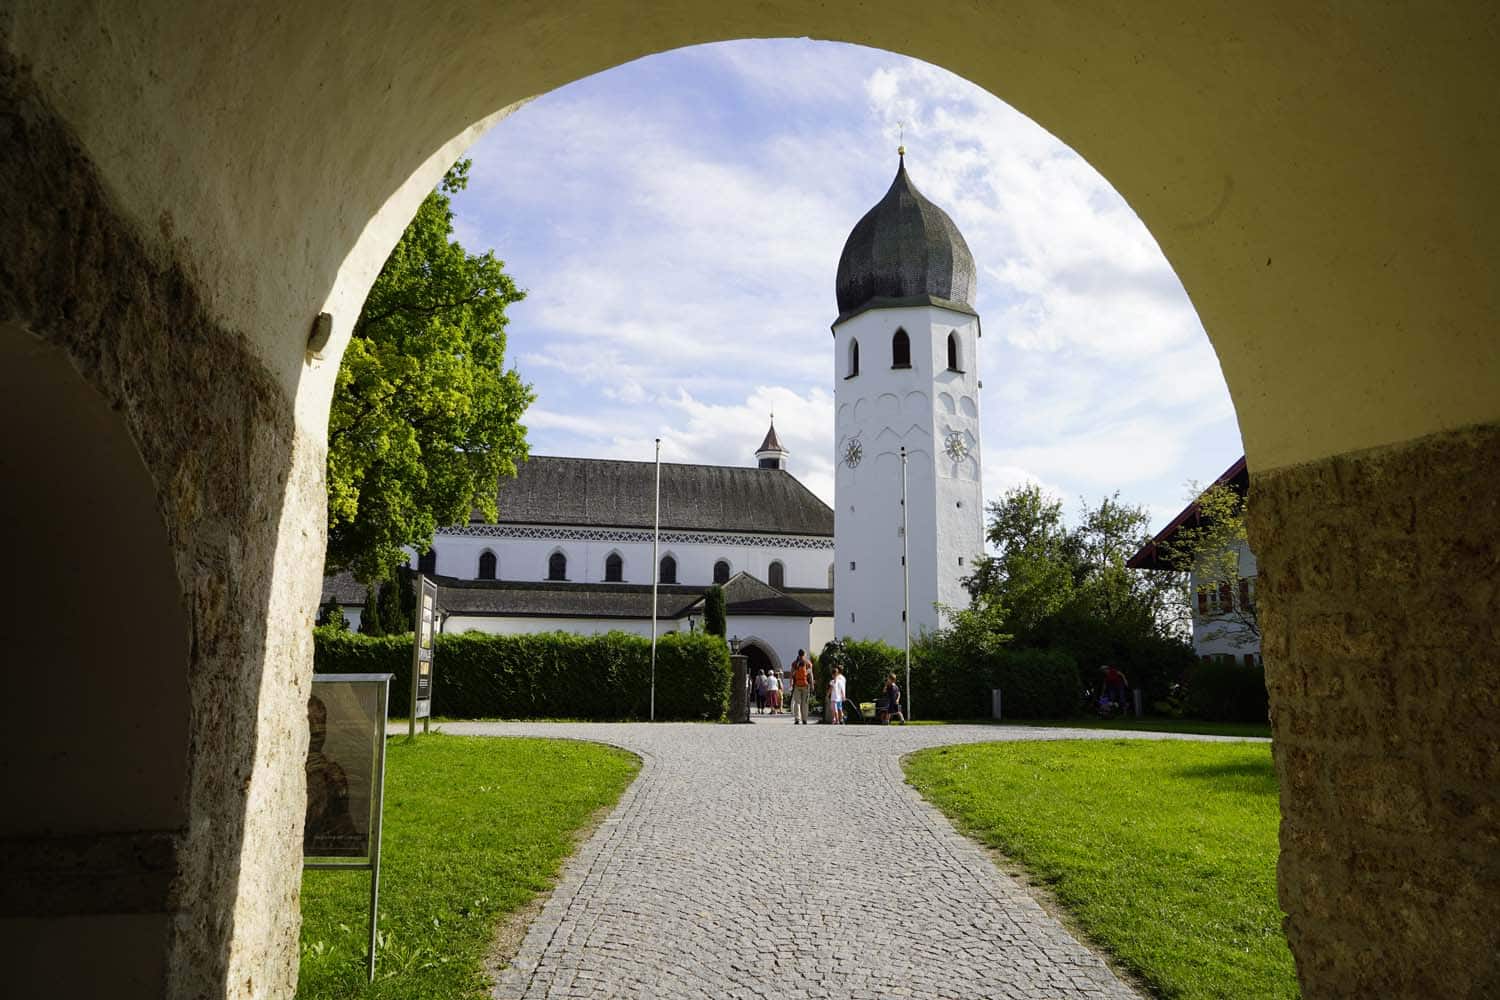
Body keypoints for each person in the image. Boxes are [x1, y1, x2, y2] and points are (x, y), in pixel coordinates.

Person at [790, 649, 813, 724]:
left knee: (797, 703)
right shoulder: (808, 663)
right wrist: (812, 684)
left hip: (797, 685)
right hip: (806, 685)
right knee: (805, 703)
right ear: (804, 654)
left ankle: (797, 718)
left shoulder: (794, 663)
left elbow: (791, 674)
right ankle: (805, 719)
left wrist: (791, 684)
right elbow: (810, 675)